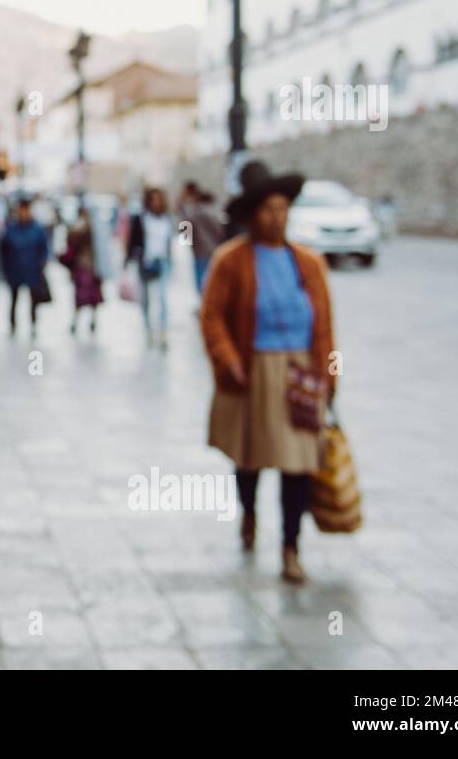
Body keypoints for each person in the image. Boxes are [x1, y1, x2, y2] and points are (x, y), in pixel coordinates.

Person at [200, 161, 337, 585]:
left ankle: (290, 548)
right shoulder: (232, 261)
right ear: (253, 215)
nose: (275, 218)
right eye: (267, 210)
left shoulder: (309, 264)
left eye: (282, 209)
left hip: (299, 373)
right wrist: (228, 360)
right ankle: (249, 512)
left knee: (297, 464)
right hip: (255, 371)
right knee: (253, 457)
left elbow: (325, 325)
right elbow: (212, 318)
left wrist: (329, 377)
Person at [125, 187, 175, 348]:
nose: (156, 203)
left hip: (163, 261)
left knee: (162, 298)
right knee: (145, 299)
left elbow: (178, 238)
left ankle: (163, 332)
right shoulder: (140, 218)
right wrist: (128, 259)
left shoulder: (168, 219)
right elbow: (132, 240)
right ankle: (148, 329)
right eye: (153, 199)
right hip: (145, 261)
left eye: (158, 199)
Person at [0, 196, 50, 337]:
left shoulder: (37, 229)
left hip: (32, 270)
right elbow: (3, 249)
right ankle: (12, 325)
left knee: (33, 301)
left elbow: (44, 249)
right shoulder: (11, 228)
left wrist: (42, 262)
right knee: (13, 299)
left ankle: (33, 325)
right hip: (15, 270)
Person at [60, 207, 104, 334]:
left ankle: (88, 321)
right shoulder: (81, 228)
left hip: (90, 267)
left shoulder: (91, 228)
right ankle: (78, 321)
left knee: (90, 297)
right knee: (82, 297)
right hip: (84, 267)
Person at [178, 185, 224, 296]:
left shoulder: (194, 214)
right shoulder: (216, 214)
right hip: (215, 251)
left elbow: (184, 235)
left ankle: (204, 304)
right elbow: (221, 233)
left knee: (200, 280)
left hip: (200, 252)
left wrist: (182, 208)